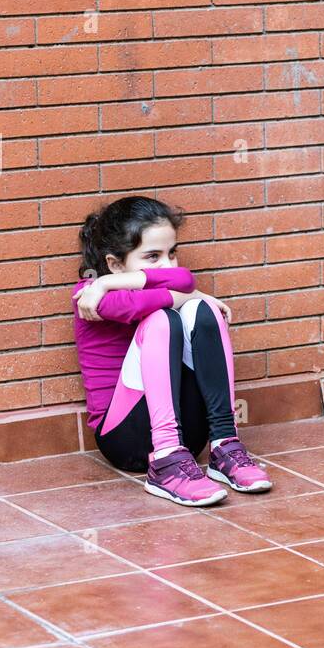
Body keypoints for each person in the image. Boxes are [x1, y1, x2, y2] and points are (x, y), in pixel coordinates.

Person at [71, 196, 271, 507]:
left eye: (171, 253)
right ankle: (164, 464)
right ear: (114, 263)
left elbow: (185, 279)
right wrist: (108, 286)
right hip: (125, 438)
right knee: (164, 317)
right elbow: (174, 288)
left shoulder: (110, 284)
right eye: (152, 256)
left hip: (189, 439)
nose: (167, 265)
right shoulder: (90, 299)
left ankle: (224, 446)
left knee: (202, 310)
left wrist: (114, 282)